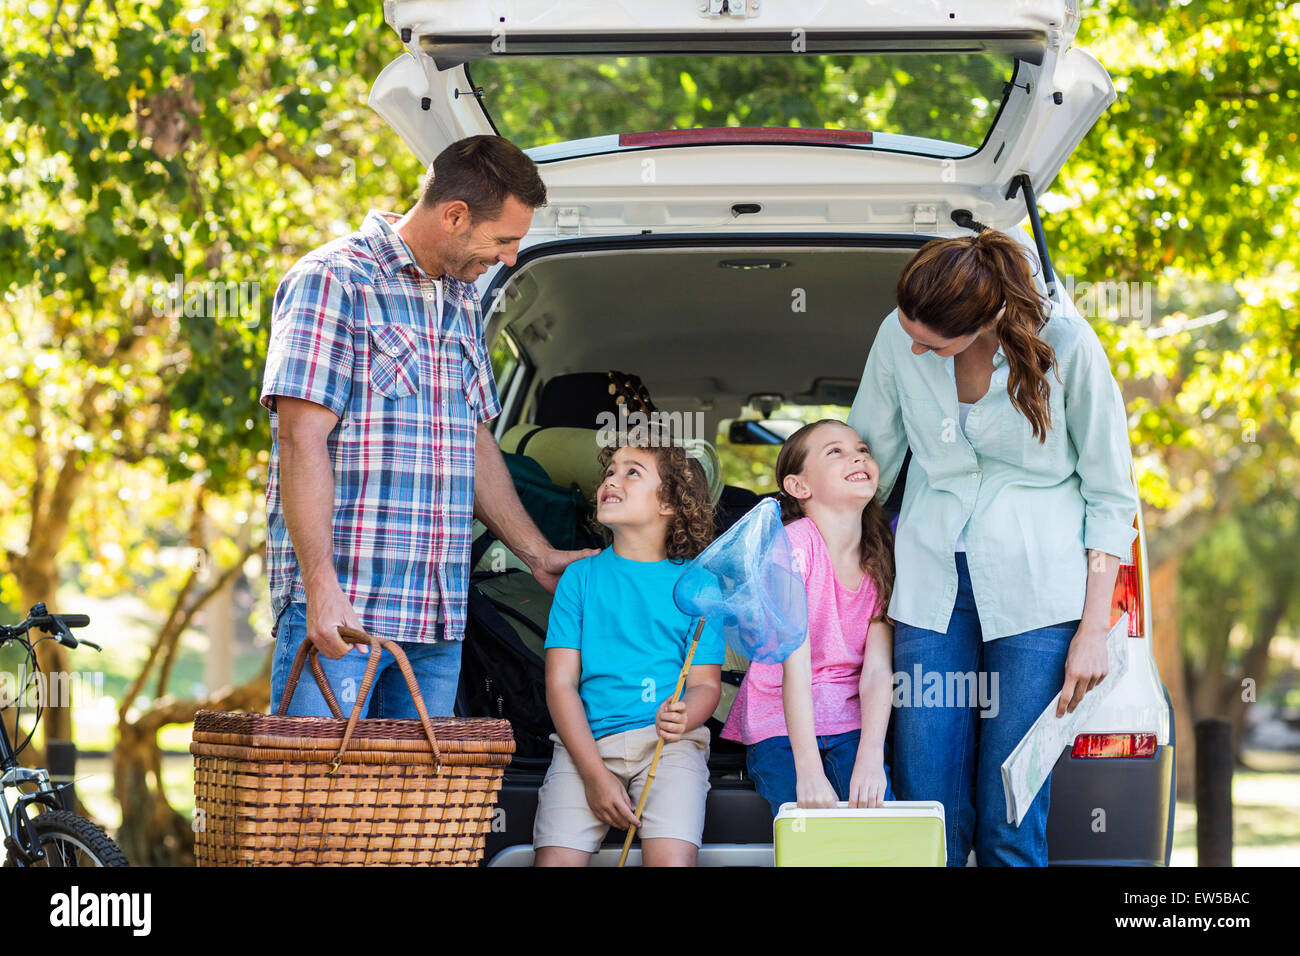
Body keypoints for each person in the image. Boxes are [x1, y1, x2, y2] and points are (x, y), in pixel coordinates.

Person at [261, 134, 595, 720]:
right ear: (455, 215)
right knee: (316, 808)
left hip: (435, 617)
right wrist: (320, 587)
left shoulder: (461, 298)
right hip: (348, 612)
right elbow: (299, 438)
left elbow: (473, 439)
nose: (510, 258)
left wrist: (536, 552)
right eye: (506, 240)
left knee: (416, 811)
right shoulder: (333, 280)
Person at [848, 229, 1140, 866]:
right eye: (908, 330)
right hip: (929, 589)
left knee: (1011, 810)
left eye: (932, 342)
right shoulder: (900, 335)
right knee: (928, 807)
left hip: (1041, 599)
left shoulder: (1067, 343)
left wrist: (1095, 627)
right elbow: (868, 460)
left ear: (986, 317)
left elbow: (1112, 497)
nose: (915, 346)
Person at [532, 437, 723, 867]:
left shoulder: (698, 585)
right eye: (609, 472)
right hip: (584, 747)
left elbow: (706, 684)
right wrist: (595, 776)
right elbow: (561, 683)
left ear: (670, 503)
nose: (611, 480)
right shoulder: (579, 578)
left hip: (669, 747)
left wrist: (686, 716)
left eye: (632, 472)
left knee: (672, 861)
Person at [721, 420, 896, 817]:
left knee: (880, 826)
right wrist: (809, 771)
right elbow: (794, 670)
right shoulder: (792, 547)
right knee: (810, 834)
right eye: (835, 451)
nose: (858, 456)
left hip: (850, 724)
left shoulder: (881, 557)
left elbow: (877, 670)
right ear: (800, 487)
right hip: (781, 727)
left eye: (862, 449)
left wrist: (871, 758)